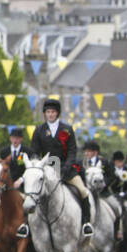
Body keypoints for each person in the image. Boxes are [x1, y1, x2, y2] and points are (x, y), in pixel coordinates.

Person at [29, 98, 93, 243]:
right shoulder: (39, 130)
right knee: (29, 192)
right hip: (46, 170)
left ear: (57, 113)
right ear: (45, 114)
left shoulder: (67, 129)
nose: (50, 114)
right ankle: (25, 225)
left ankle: (86, 223)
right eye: (48, 112)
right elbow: (34, 151)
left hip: (66, 169)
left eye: (53, 112)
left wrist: (66, 167)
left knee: (83, 191)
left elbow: (72, 151)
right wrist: (36, 165)